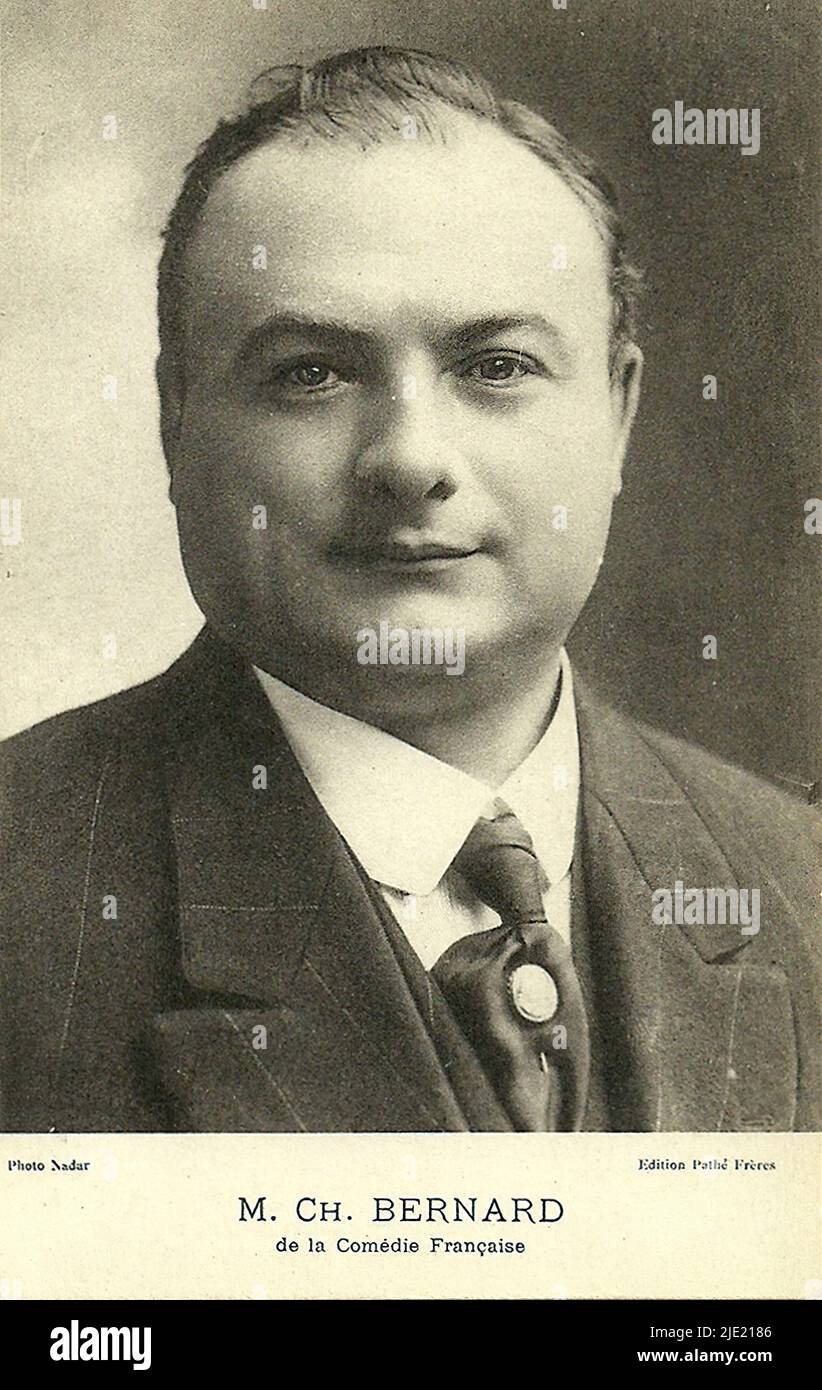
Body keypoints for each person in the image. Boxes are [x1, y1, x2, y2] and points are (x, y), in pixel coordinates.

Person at [1, 46, 818, 1134]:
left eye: (495, 366)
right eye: (311, 372)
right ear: (177, 419)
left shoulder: (796, 878)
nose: (409, 457)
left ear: (617, 416)